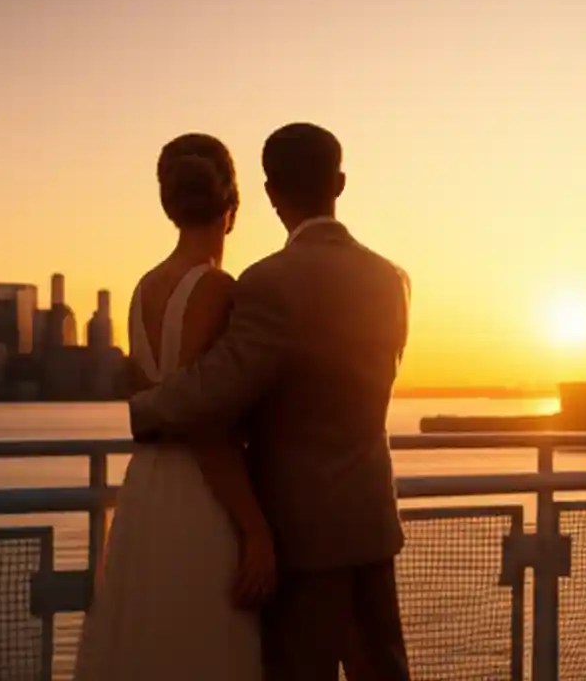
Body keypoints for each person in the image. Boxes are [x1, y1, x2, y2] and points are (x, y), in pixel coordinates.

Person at [128, 123, 412, 680]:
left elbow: (216, 385)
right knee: (382, 669)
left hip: (301, 535)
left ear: (271, 192)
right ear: (340, 182)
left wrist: (144, 408)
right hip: (371, 519)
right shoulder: (391, 279)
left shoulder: (269, 283)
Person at [73, 133, 274, 681]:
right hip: (201, 499)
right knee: (207, 647)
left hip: (146, 492)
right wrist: (255, 530)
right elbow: (204, 422)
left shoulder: (142, 288)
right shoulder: (215, 287)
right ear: (232, 209)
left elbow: (150, 405)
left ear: (168, 206)